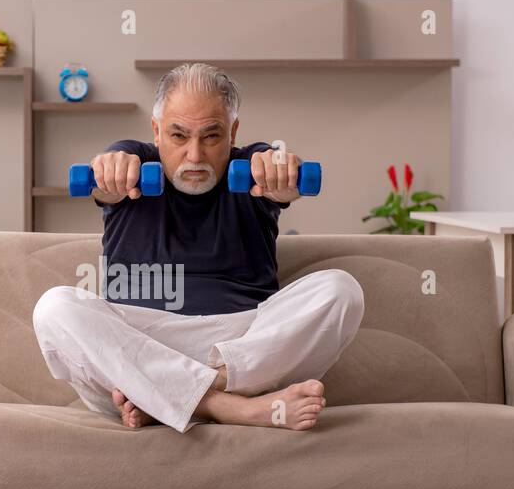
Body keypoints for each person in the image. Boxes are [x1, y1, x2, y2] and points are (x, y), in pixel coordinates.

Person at [32, 62, 364, 433]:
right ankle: (230, 408)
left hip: (238, 349)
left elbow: (281, 176)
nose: (195, 155)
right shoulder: (133, 164)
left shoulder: (253, 167)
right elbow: (106, 176)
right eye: (178, 136)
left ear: (233, 131)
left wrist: (283, 176)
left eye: (211, 136)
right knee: (55, 307)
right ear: (156, 130)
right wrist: (109, 172)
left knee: (341, 290)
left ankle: (170, 398)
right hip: (137, 345)